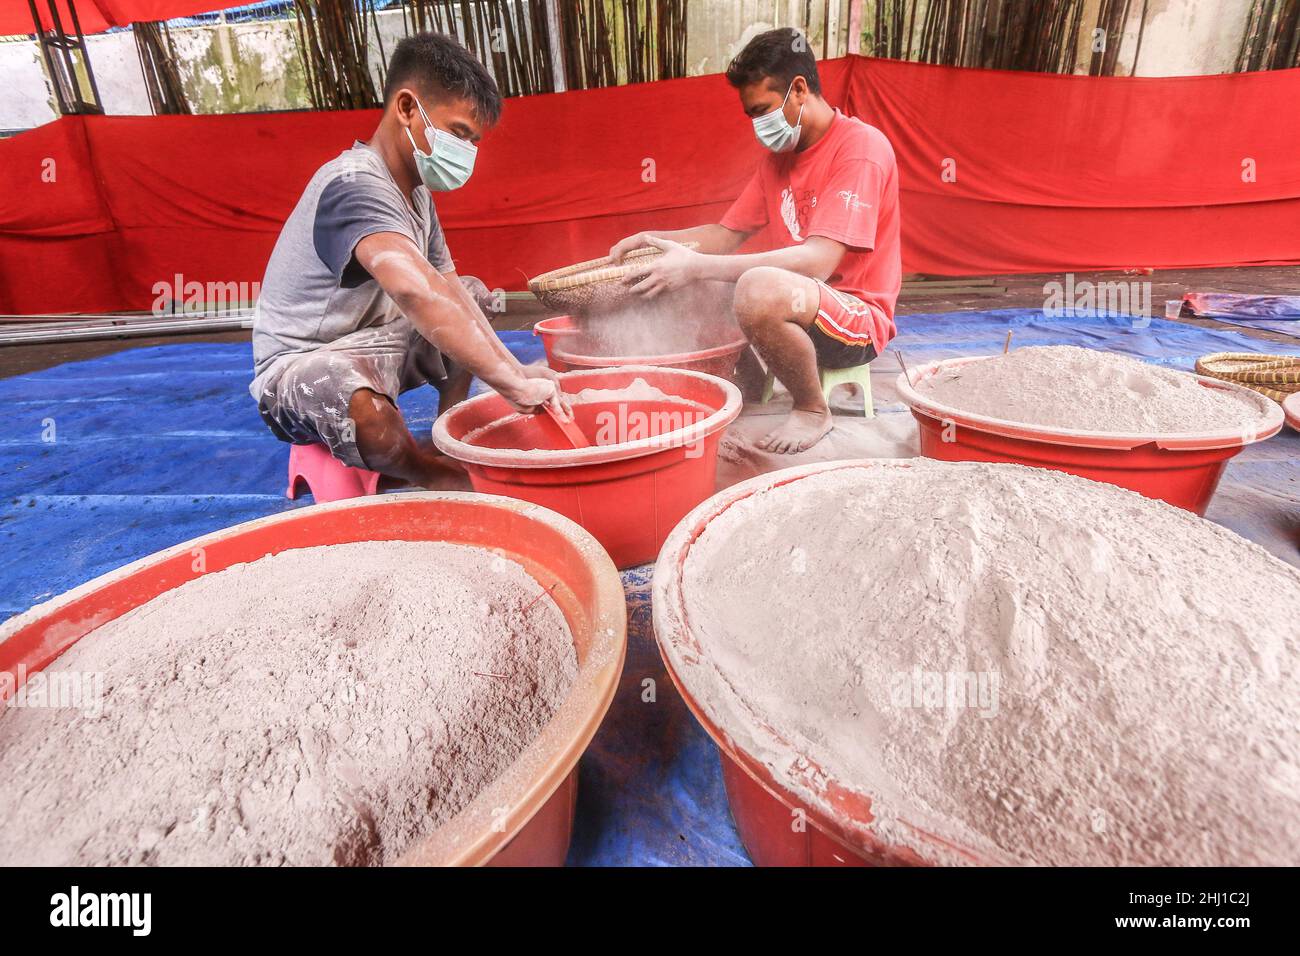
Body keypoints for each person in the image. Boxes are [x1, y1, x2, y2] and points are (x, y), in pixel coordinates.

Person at [249, 32, 564, 488]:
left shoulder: (417, 194)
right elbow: (412, 288)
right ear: (407, 108)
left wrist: (514, 373)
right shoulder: (353, 183)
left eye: (473, 141)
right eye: (458, 133)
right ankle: (428, 472)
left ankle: (449, 433)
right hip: (305, 365)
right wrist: (515, 389)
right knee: (363, 408)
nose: (467, 152)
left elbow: (450, 288)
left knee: (472, 295)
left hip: (375, 343)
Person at [610, 27, 901, 454]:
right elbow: (725, 236)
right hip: (801, 306)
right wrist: (655, 242)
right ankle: (742, 377)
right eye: (751, 115)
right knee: (682, 280)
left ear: (798, 90)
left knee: (756, 286)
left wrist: (696, 267)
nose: (758, 125)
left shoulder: (860, 149)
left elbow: (819, 261)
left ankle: (811, 410)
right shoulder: (779, 160)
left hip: (856, 319)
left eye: (763, 109)